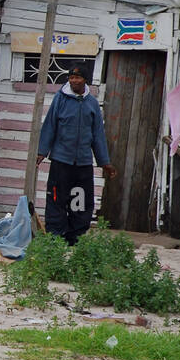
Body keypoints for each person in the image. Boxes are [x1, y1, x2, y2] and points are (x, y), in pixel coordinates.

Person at [36, 65, 116, 245]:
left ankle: (75, 239)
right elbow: (50, 127)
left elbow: (98, 135)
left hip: (83, 164)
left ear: (85, 79)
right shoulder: (60, 99)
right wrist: (41, 152)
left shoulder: (92, 103)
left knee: (79, 202)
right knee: (56, 199)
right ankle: (55, 239)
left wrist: (105, 162)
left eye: (78, 78)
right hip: (60, 161)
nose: (74, 81)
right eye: (71, 77)